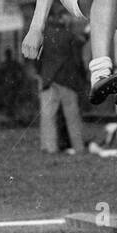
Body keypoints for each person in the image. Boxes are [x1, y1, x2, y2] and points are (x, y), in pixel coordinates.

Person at [37, 9, 88, 155]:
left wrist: (41, 74)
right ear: (62, 18)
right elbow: (78, 58)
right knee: (72, 116)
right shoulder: (69, 36)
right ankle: (78, 147)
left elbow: (37, 58)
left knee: (48, 115)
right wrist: (82, 77)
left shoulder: (44, 36)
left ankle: (49, 147)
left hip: (48, 79)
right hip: (67, 79)